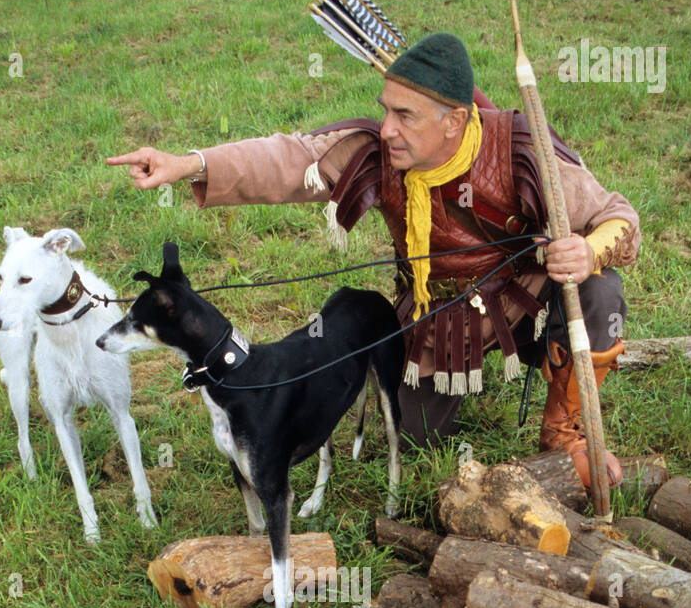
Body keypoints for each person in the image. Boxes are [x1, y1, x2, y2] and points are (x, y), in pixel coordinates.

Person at [108, 33, 640, 486]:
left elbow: (620, 218)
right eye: (387, 109)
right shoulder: (379, 151)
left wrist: (586, 250)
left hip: (527, 306)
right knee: (415, 434)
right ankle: (449, 386)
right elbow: (289, 159)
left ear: (454, 121)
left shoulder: (517, 150)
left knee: (600, 287)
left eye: (404, 115)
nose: (387, 128)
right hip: (438, 323)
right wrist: (189, 164)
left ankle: (566, 432)